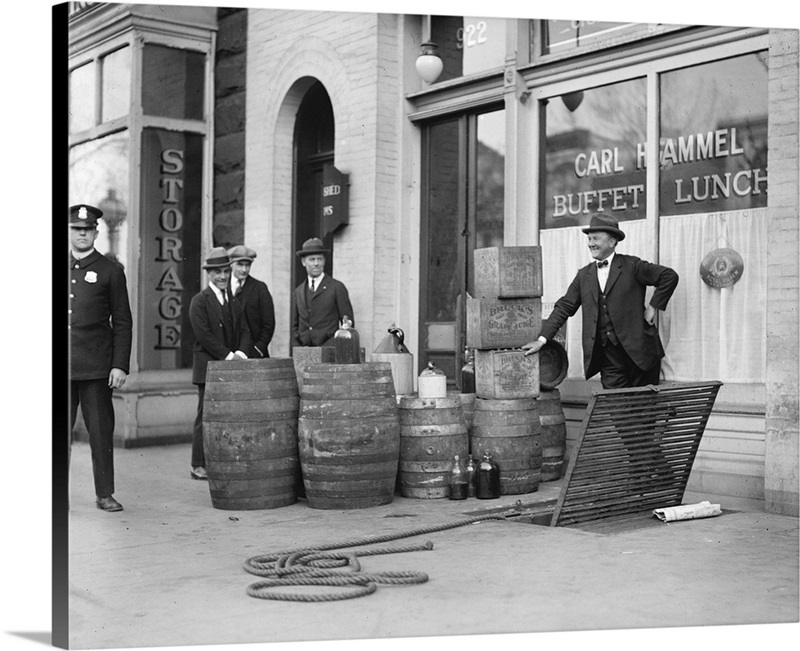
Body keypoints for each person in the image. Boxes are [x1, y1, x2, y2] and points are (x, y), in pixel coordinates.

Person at [523, 213, 679, 389]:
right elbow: (564, 307)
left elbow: (669, 276)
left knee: (643, 412)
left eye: (595, 238)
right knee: (615, 408)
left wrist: (653, 307)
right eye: (589, 239)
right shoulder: (583, 276)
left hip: (641, 355)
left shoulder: (632, 266)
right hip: (608, 358)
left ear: (612, 242)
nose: (590, 244)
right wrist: (542, 340)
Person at [69, 204, 133, 512]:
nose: (81, 234)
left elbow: (122, 321)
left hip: (96, 368)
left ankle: (104, 493)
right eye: (75, 229)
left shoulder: (110, 271)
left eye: (87, 230)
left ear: (96, 233)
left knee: (100, 433)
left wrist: (119, 364)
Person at [188, 247, 252, 480]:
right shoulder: (199, 301)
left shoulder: (232, 301)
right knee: (205, 416)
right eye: (217, 272)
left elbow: (245, 330)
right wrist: (228, 356)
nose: (223, 276)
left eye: (225, 271)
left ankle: (220, 461)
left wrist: (242, 354)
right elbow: (204, 336)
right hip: (208, 368)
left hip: (230, 367)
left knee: (227, 415)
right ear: (209, 274)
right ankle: (198, 464)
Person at [291, 237, 355, 347]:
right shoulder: (298, 291)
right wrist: (298, 347)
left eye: (319, 259)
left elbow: (348, 325)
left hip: (329, 350)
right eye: (312, 259)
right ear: (303, 262)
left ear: (324, 261)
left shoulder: (336, 287)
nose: (316, 263)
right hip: (304, 352)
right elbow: (294, 326)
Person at [227, 245, 275, 358]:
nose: (244, 270)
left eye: (247, 265)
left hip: (253, 353)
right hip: (228, 355)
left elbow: (268, 323)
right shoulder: (223, 287)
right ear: (230, 263)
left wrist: (258, 348)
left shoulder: (260, 288)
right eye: (240, 265)